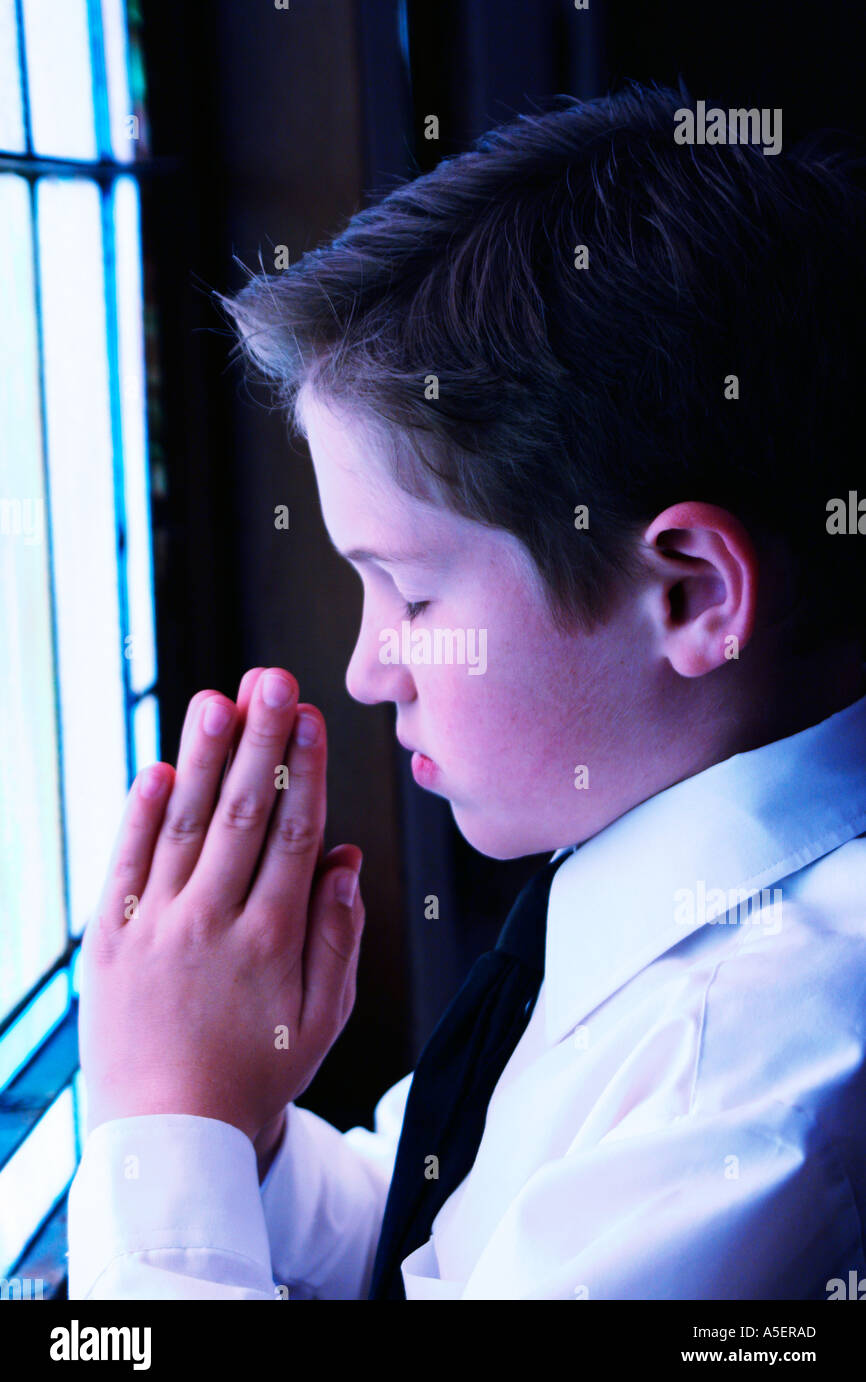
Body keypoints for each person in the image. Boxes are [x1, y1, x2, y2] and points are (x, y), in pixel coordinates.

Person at [68, 84, 866, 1299]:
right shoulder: (629, 899)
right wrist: (238, 1125)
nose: (364, 666)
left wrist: (160, 1119)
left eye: (411, 594)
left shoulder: (740, 1082)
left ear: (691, 596)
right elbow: (436, 1229)